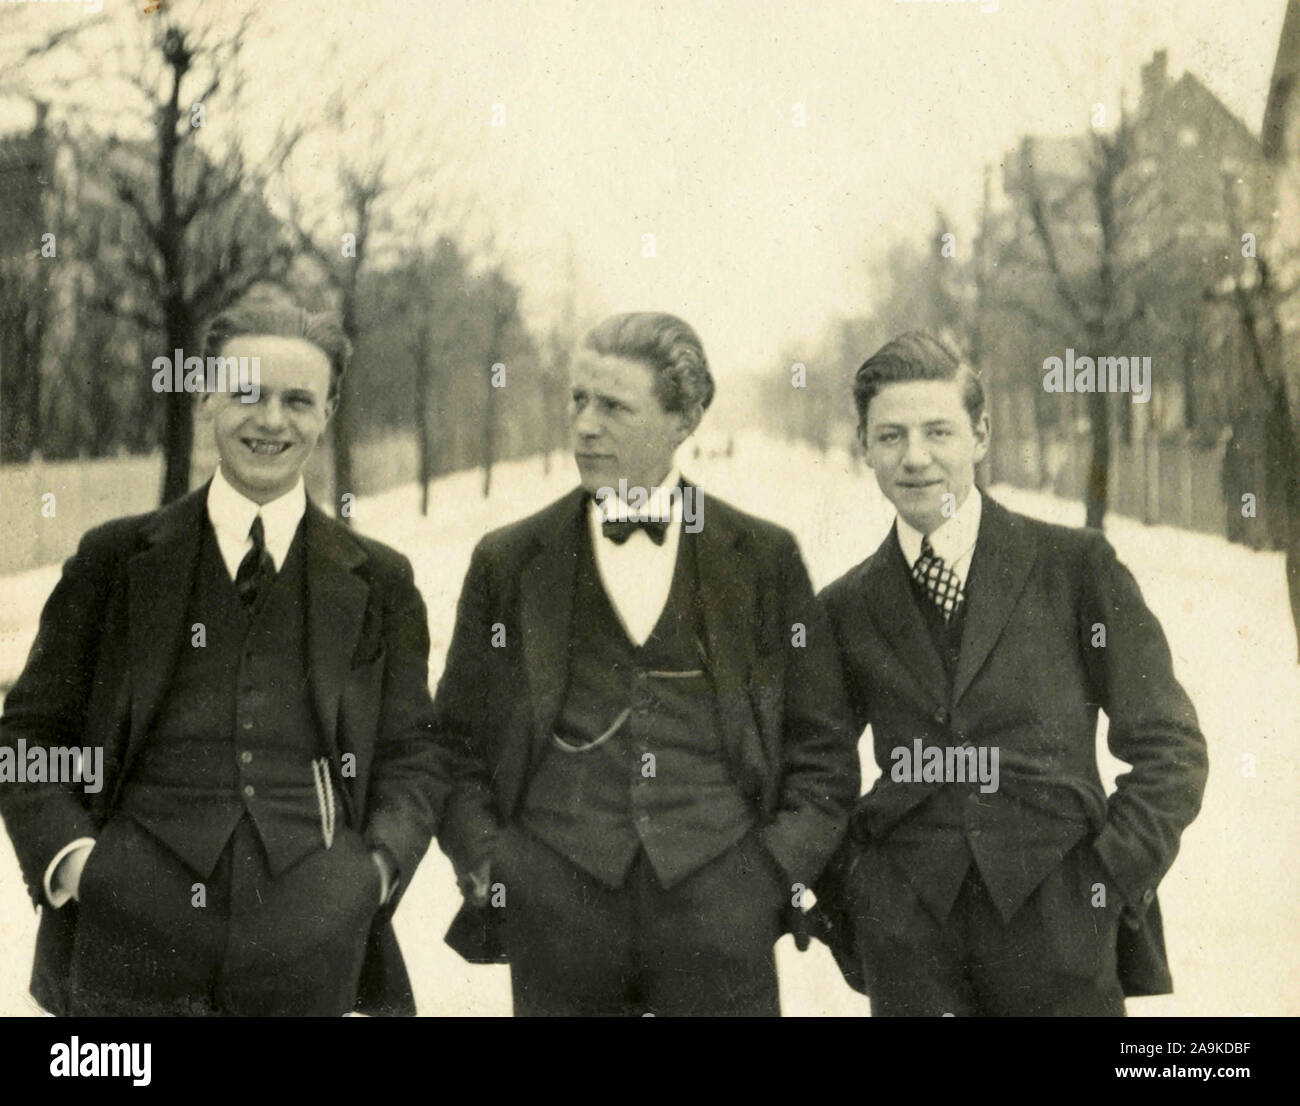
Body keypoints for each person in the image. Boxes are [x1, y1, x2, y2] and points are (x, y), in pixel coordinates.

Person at [0, 301, 451, 1016]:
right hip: (127, 945)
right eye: (246, 393)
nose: (270, 420)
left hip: (311, 952)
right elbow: (26, 739)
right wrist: (79, 867)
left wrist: (372, 874)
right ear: (207, 394)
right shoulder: (113, 561)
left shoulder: (381, 581)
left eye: (297, 400)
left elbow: (416, 756)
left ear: (328, 411)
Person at [434, 312, 858, 1016]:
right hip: (556, 912)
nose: (585, 425)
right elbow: (453, 740)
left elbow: (825, 750)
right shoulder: (508, 561)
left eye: (614, 407)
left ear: (684, 418)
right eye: (578, 400)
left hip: (723, 913)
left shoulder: (763, 559)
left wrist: (769, 874)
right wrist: (493, 862)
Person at [812, 331, 1207, 1016]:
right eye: (891, 436)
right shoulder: (844, 607)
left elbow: (1170, 745)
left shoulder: (1076, 568)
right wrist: (856, 890)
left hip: (1062, 933)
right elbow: (802, 768)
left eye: (939, 431)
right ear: (865, 447)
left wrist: (1106, 879)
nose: (916, 458)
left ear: (981, 435)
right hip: (910, 951)